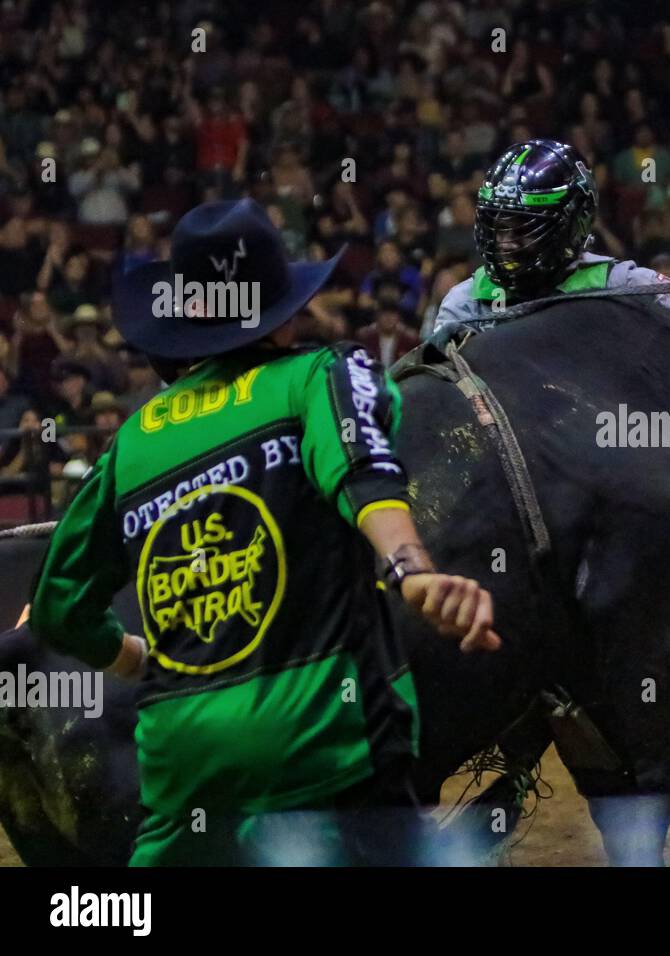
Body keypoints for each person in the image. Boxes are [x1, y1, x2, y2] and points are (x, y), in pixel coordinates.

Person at [28, 199, 501, 866]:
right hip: (324, 749)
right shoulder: (318, 374)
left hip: (184, 765)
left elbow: (58, 607)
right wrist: (410, 568)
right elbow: (361, 464)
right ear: (282, 315)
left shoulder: (131, 441)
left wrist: (133, 658)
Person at [433, 139, 670, 344]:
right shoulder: (467, 302)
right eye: (498, 227)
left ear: (571, 226)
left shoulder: (623, 285)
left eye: (523, 229)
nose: (505, 243)